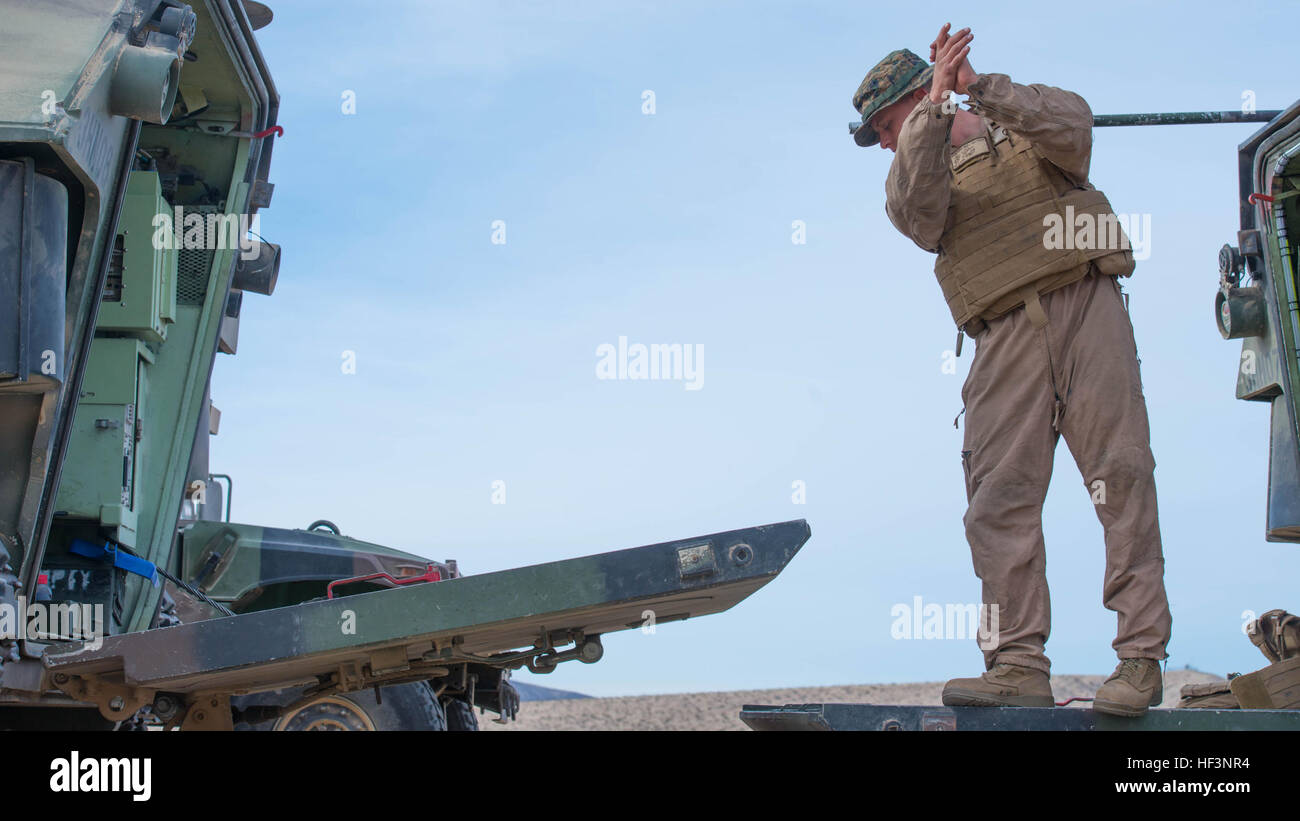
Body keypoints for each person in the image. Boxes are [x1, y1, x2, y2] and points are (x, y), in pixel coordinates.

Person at [852, 24, 1173, 717]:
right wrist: (931, 116)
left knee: (1122, 476)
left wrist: (977, 89)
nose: (882, 140)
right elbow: (918, 215)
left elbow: (1075, 124)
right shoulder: (913, 172)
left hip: (1087, 305)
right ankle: (1016, 663)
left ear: (912, 98)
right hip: (1002, 336)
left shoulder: (1019, 118)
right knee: (998, 503)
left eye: (885, 124)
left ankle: (1140, 658)